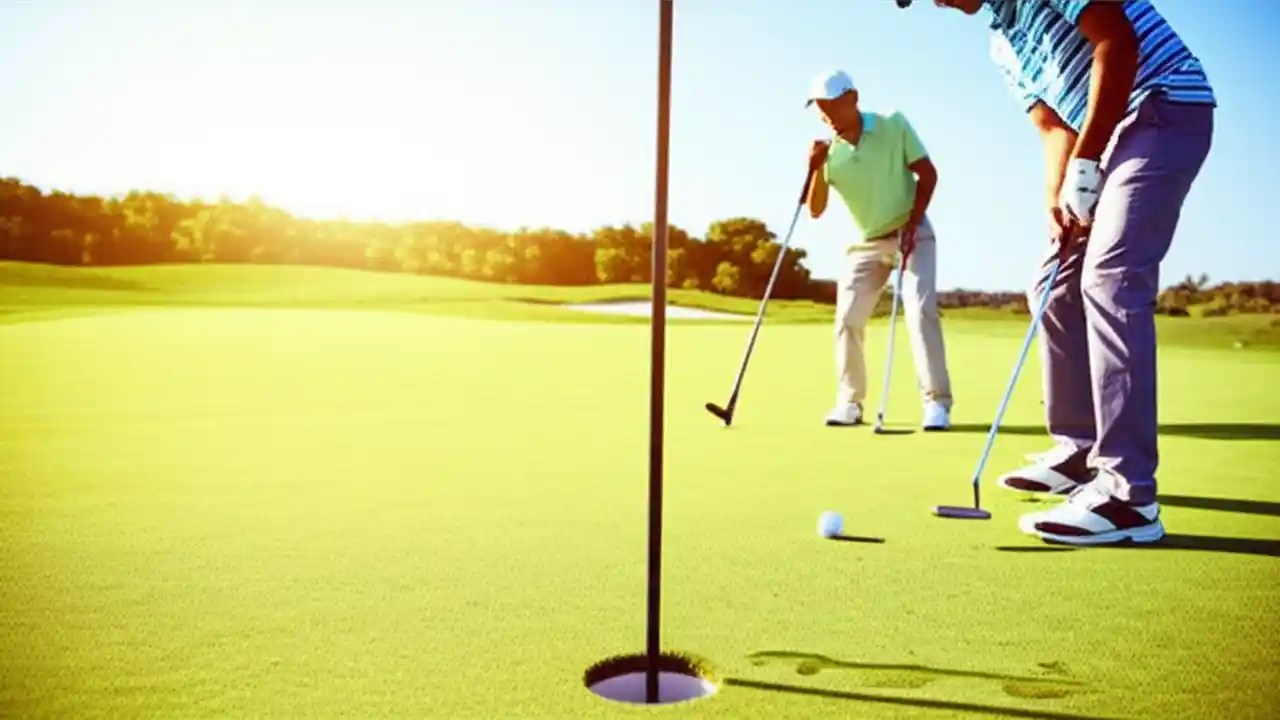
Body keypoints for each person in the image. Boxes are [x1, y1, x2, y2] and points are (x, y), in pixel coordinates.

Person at [931, 0, 1215, 544]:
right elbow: (1052, 124)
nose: (938, 2)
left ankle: (1129, 495)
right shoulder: (1001, 42)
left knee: (1110, 278)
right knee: (1052, 282)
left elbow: (1116, 42)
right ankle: (1080, 447)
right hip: (1108, 135)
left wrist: (1087, 162)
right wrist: (1059, 199)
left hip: (1164, 108)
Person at [805, 69, 954, 431]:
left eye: (832, 108)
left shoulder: (892, 123)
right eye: (821, 110)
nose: (828, 118)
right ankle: (849, 402)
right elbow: (815, 209)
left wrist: (913, 223)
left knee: (919, 312)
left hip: (913, 231)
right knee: (847, 320)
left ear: (853, 98)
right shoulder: (830, 153)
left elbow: (928, 174)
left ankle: (937, 405)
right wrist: (813, 169)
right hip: (866, 244)